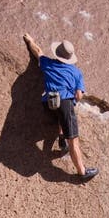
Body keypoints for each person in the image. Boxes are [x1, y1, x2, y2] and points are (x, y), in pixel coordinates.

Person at [23, 33, 99, 181]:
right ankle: (82, 172)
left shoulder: (47, 63)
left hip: (48, 102)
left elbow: (37, 51)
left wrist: (30, 40)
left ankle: (62, 138)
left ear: (57, 53)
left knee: (59, 115)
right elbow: (78, 95)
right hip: (64, 103)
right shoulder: (76, 72)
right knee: (74, 141)